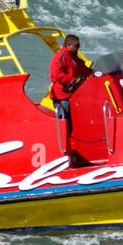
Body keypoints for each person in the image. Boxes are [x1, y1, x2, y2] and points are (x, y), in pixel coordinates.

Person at [49, 34, 92, 165]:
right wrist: (71, 80)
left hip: (73, 95)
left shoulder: (74, 58)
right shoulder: (60, 57)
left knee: (73, 125)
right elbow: (55, 76)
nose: (79, 48)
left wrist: (93, 73)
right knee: (65, 125)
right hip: (62, 96)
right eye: (76, 46)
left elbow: (82, 69)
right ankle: (61, 153)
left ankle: (72, 150)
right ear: (69, 45)